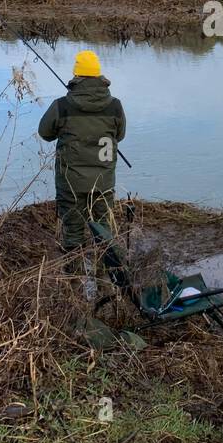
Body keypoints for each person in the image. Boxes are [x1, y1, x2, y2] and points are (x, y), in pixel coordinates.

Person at [38, 51, 127, 279]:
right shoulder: (115, 106)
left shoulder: (62, 105)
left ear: (76, 74)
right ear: (99, 75)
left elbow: (45, 133)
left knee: (73, 233)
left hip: (71, 182)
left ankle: (74, 284)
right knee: (103, 231)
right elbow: (120, 135)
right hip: (103, 182)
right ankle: (105, 281)